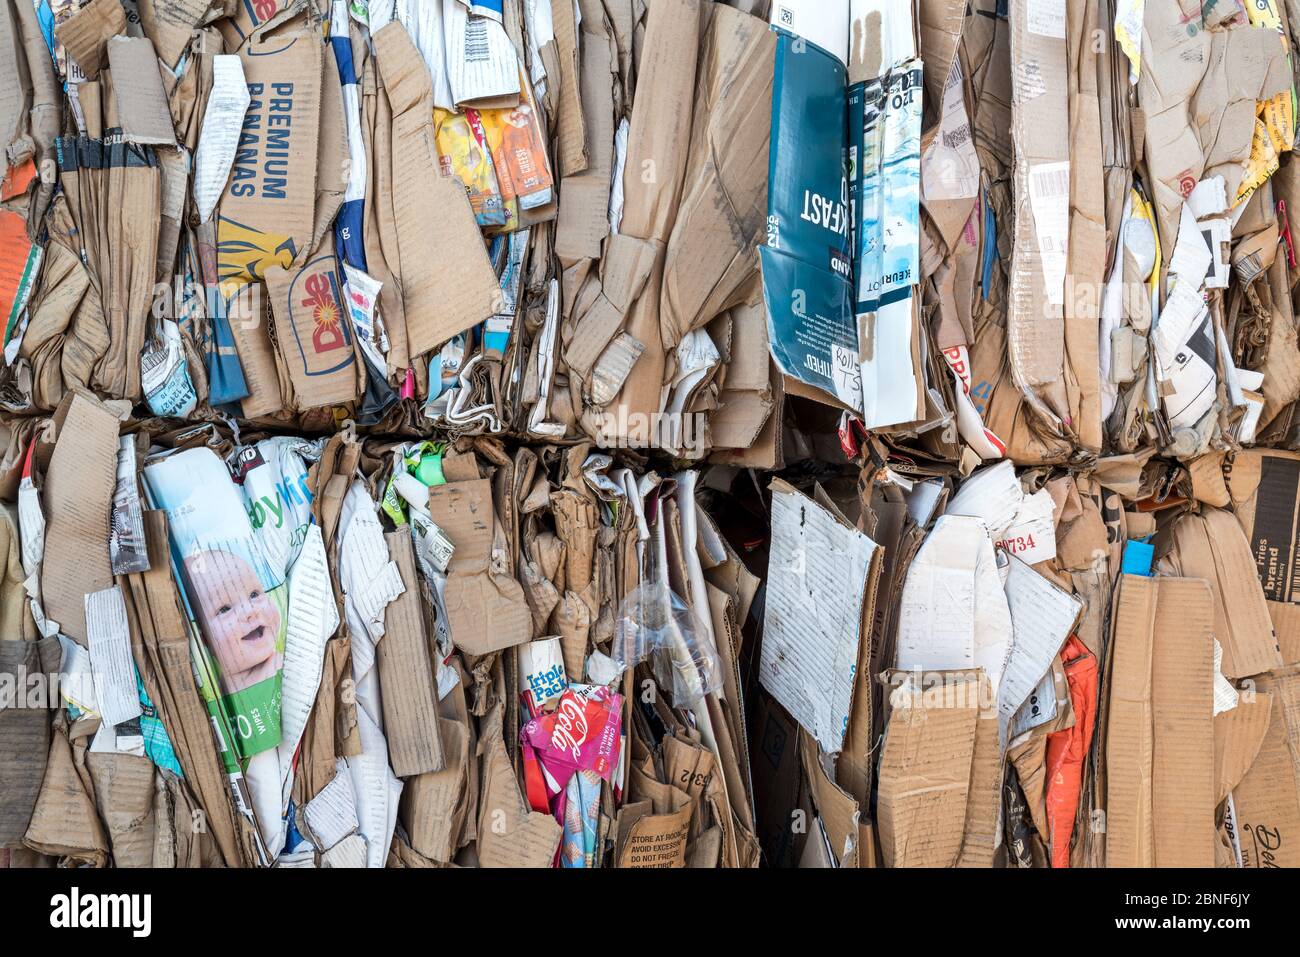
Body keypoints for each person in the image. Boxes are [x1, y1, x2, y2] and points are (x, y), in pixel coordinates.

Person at [184, 548, 283, 693]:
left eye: (254, 594)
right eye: (225, 609)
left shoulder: (281, 666)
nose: (250, 611)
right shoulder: (216, 689)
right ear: (204, 638)